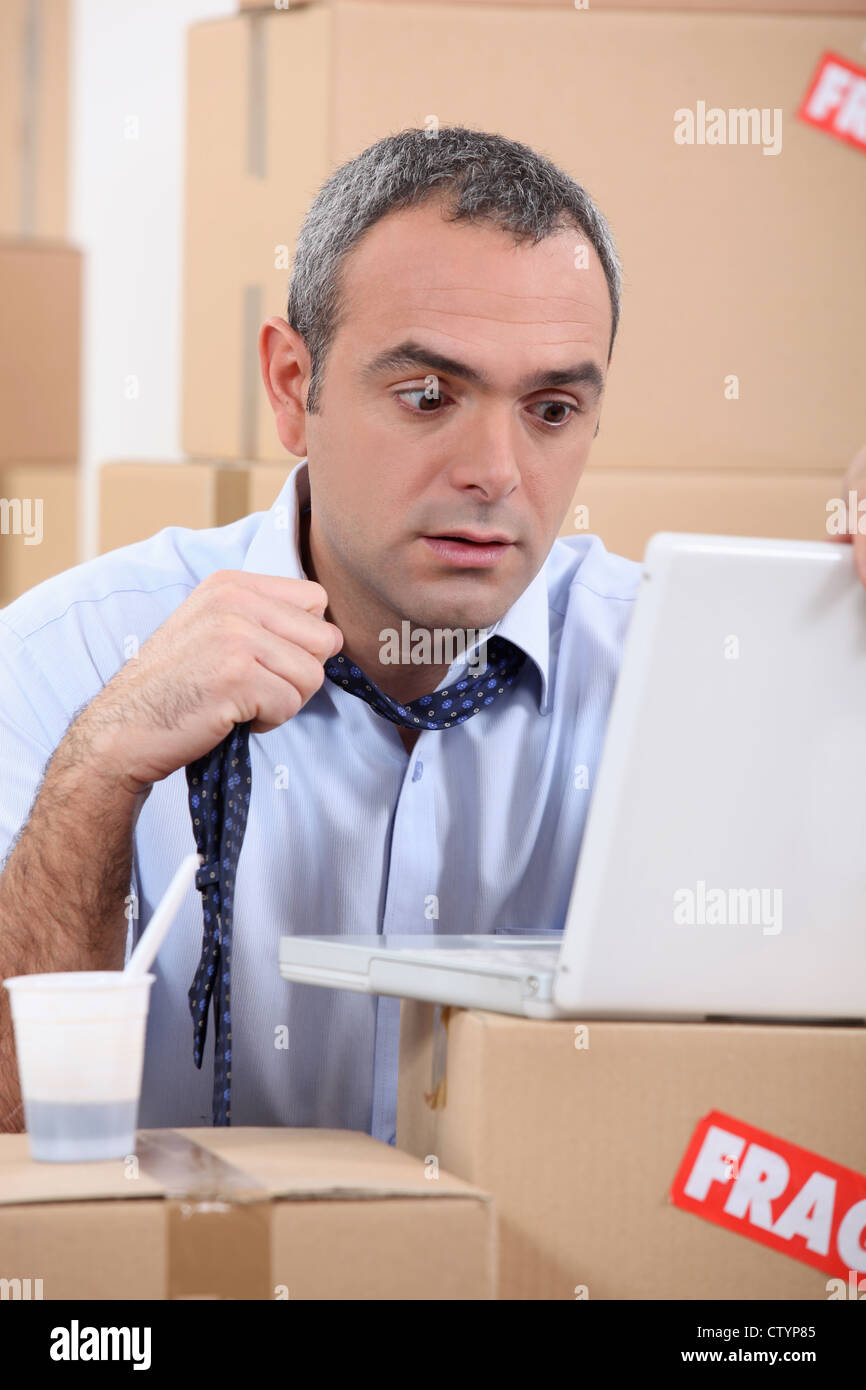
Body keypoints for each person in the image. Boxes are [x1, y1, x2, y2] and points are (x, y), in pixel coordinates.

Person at [0, 127, 863, 1144]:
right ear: (291, 386)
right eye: (427, 396)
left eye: (550, 408)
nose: (494, 469)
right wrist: (98, 778)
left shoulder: (700, 677)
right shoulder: (72, 658)